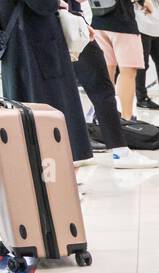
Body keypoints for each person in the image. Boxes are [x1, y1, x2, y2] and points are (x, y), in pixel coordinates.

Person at [66, 0, 158, 168]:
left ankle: (81, 145)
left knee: (98, 79)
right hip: (116, 23)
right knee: (120, 77)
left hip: (93, 23)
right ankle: (125, 127)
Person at [0, 0, 94, 163]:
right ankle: (54, 178)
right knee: (50, 110)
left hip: (16, 39)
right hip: (35, 39)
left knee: (25, 111)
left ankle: (41, 177)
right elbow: (42, 4)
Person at [90, 0, 144, 122]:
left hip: (97, 20)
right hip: (122, 22)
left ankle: (104, 116)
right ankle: (127, 117)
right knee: (128, 71)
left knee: (107, 70)